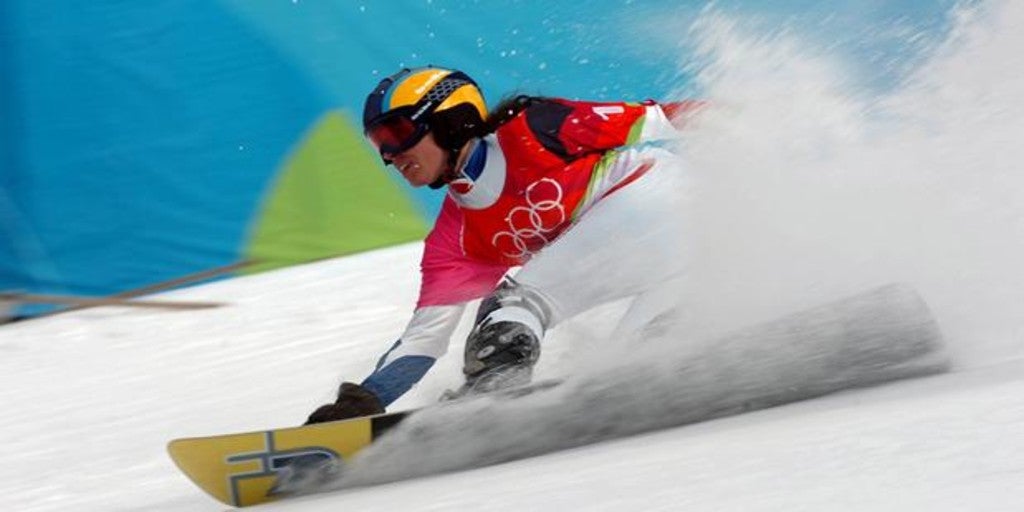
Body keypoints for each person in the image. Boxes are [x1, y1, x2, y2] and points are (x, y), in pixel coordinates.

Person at [306, 66, 702, 423]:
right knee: (634, 372)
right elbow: (424, 340)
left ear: (448, 119)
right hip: (690, 261)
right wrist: (363, 403)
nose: (392, 156)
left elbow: (661, 118)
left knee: (511, 308)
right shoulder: (454, 239)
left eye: (397, 134)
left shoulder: (532, 129)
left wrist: (752, 124)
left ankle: (491, 401)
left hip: (670, 200)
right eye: (379, 144)